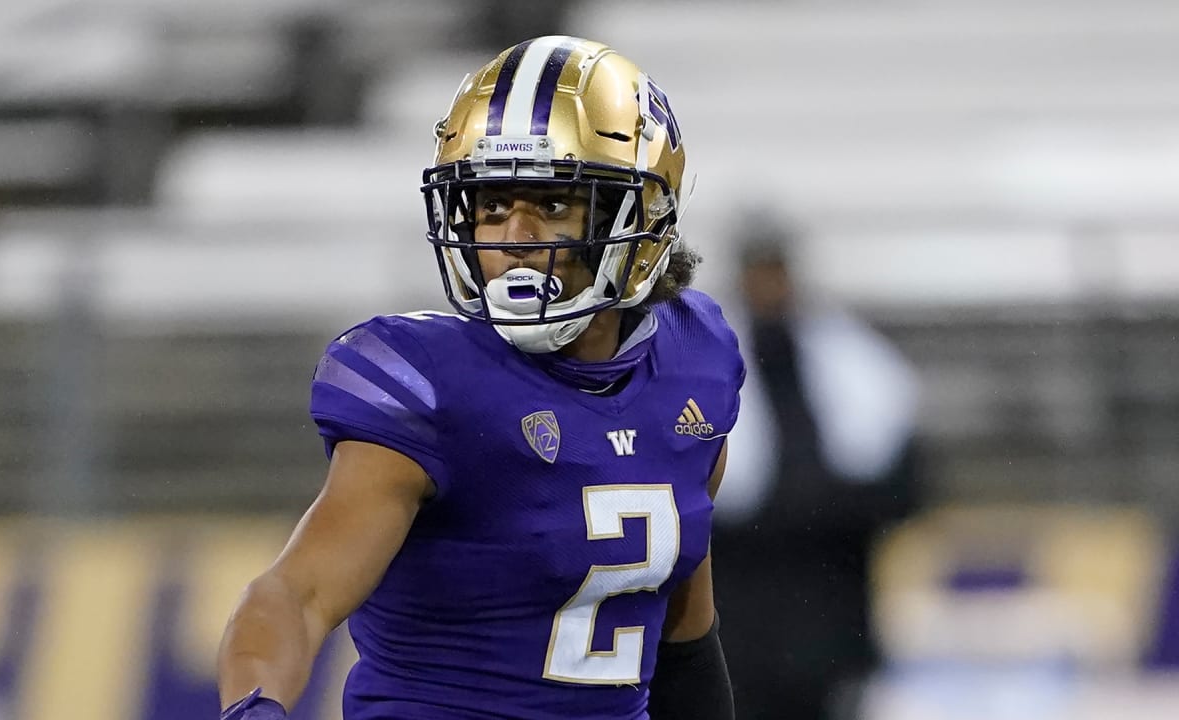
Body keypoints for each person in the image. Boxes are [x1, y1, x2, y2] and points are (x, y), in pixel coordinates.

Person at [217, 36, 744, 720]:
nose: (514, 236)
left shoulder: (692, 360)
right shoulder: (430, 384)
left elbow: (684, 627)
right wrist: (256, 710)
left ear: (637, 218)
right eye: (492, 206)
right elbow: (296, 594)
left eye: (552, 204)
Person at [711, 210, 922, 720]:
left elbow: (904, 487)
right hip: (746, 624)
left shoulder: (851, 362)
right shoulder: (709, 365)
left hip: (833, 612)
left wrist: (815, 511)